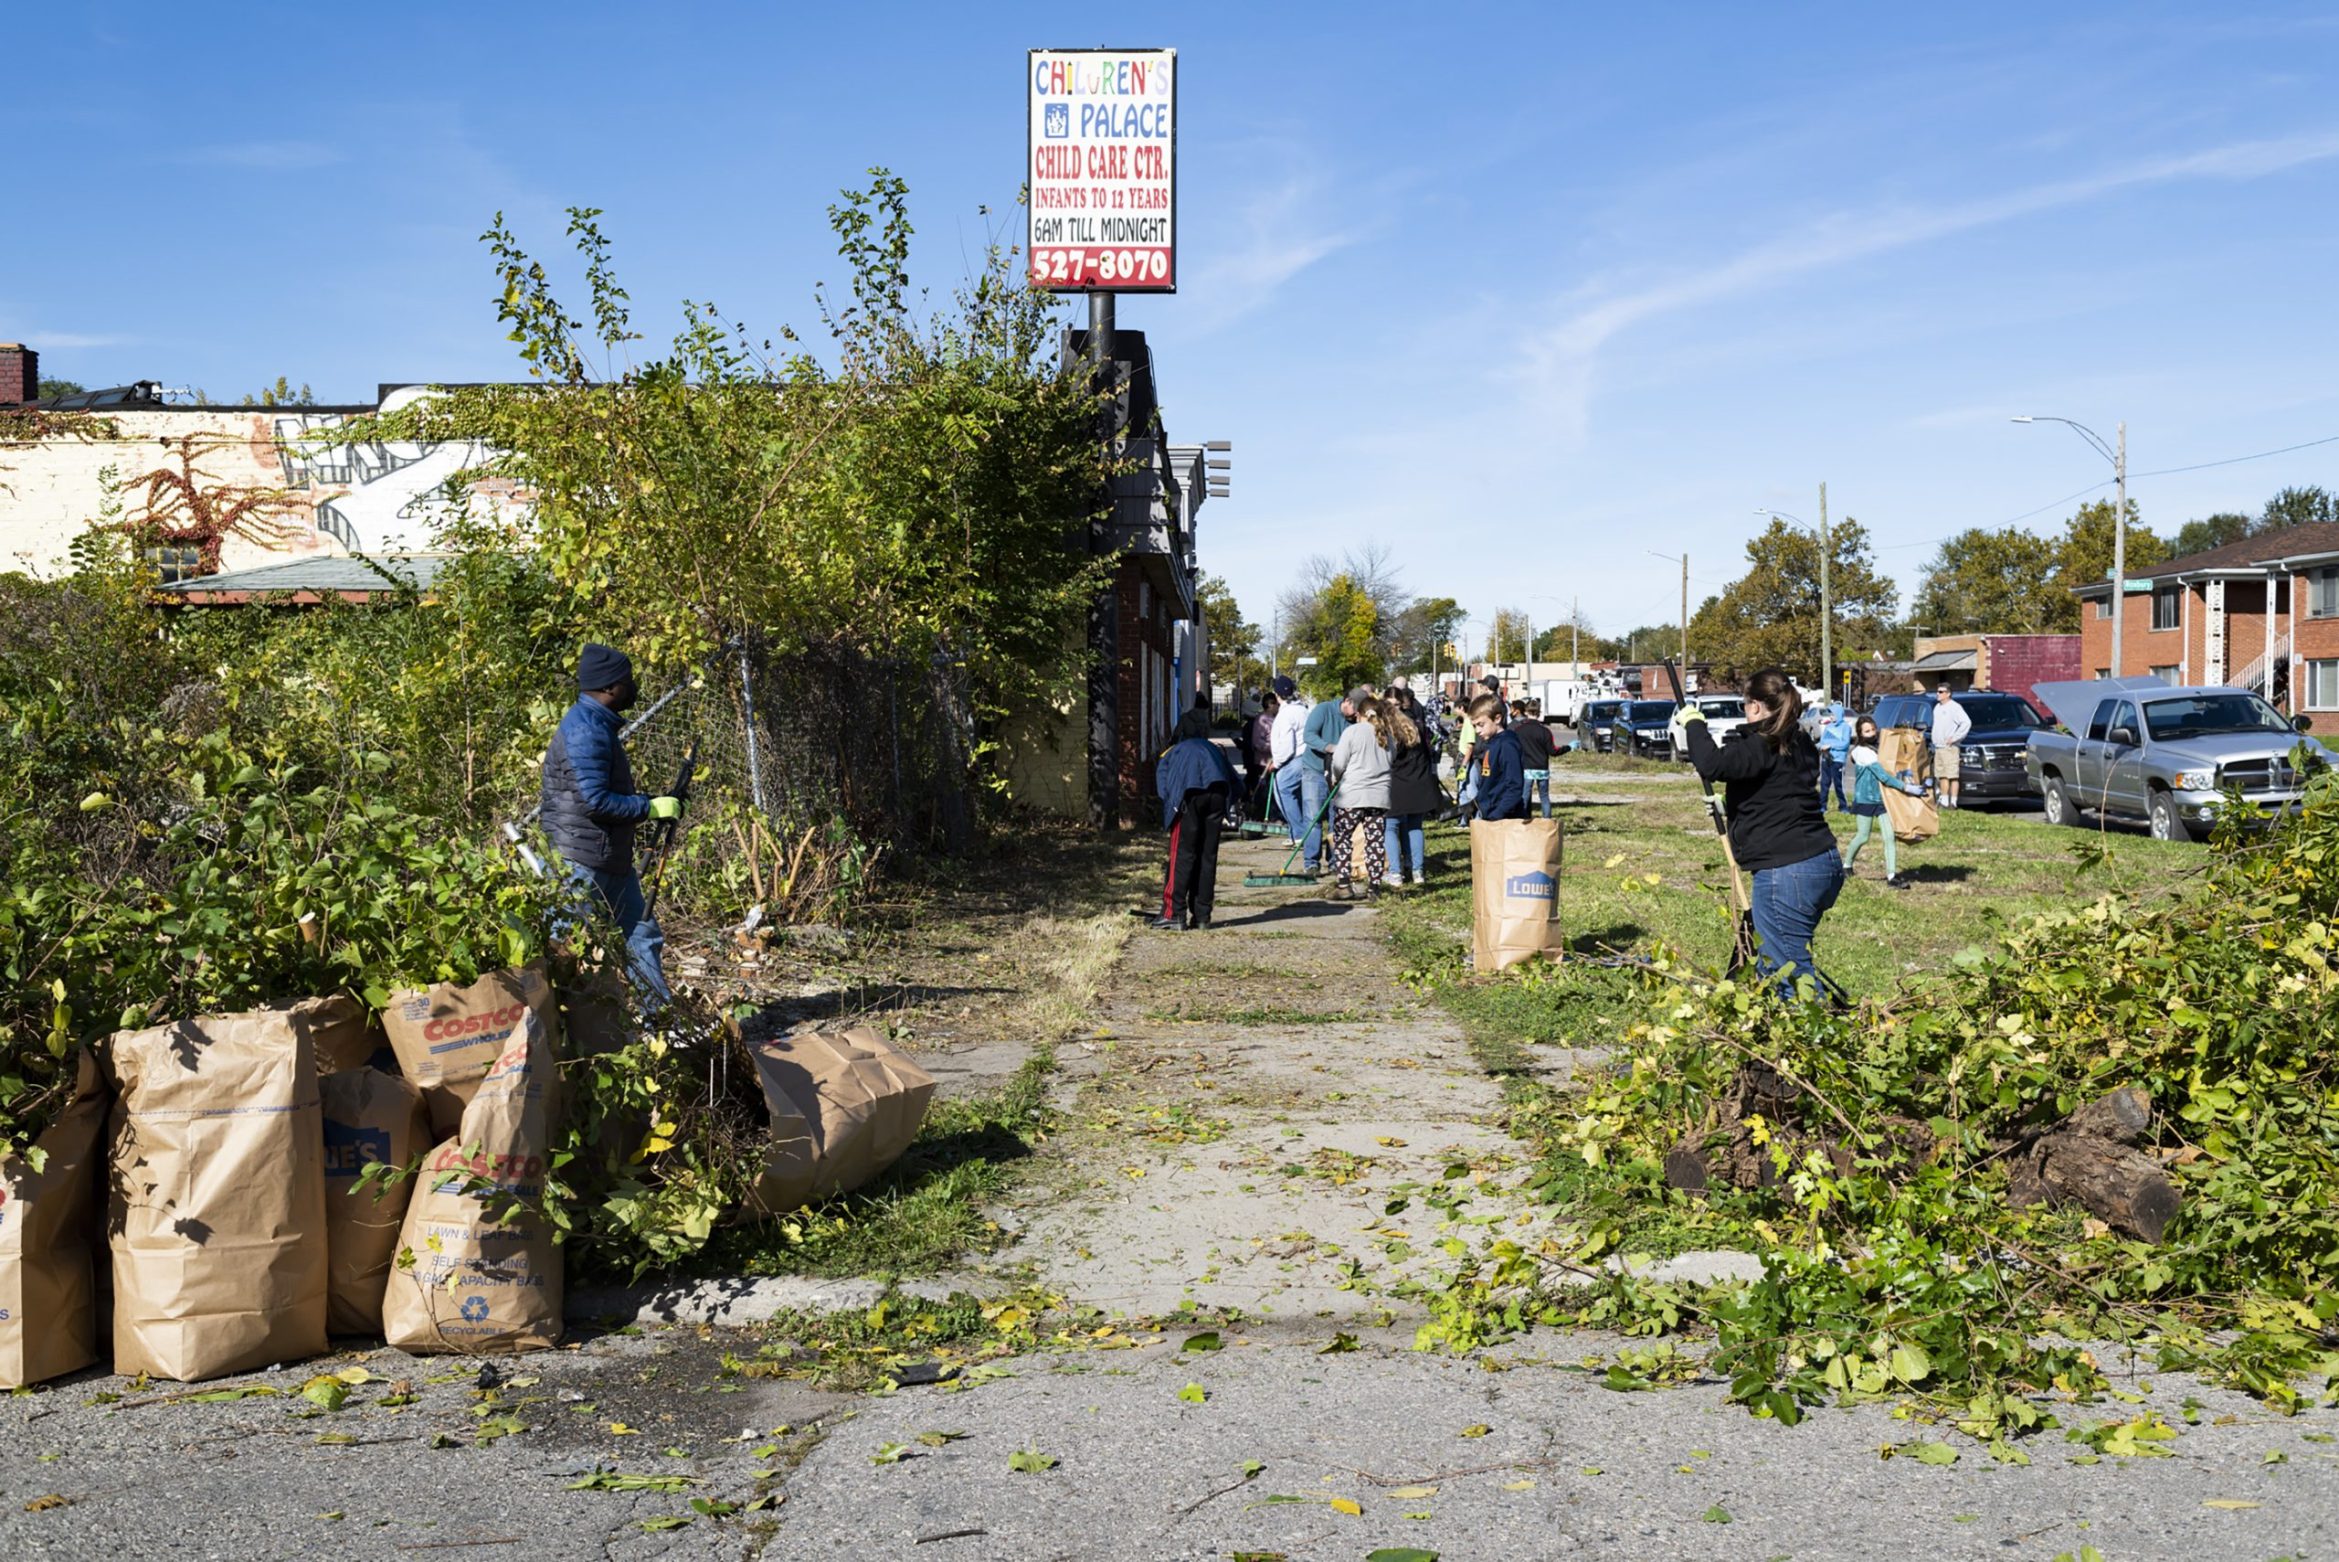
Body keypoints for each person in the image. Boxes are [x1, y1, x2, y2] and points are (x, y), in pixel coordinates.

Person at [1681, 667, 1844, 995]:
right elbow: (1779, 791)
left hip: (1787, 872)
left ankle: (1818, 1037)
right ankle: (1792, 1034)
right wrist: (1731, 806)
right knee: (1784, 959)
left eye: (1745, 704)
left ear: (1755, 706)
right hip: (1821, 861)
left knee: (1787, 970)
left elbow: (1713, 764)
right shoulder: (1797, 741)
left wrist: (1694, 723)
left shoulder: (1763, 743)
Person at [541, 643, 681, 1010]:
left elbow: (600, 791)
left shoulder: (598, 725)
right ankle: (557, 1037)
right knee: (565, 951)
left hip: (608, 858)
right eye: (627, 680)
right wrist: (647, 808)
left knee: (642, 935)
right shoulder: (585, 730)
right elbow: (594, 801)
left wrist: (651, 802)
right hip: (580, 862)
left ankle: (660, 1022)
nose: (632, 687)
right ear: (609, 687)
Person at [1152, 706, 1237, 930]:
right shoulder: (1215, 749)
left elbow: (1162, 786)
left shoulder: (1173, 751)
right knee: (1207, 856)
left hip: (1188, 798)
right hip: (1217, 797)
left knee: (1182, 855)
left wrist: (1170, 809)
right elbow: (1236, 782)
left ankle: (1173, 913)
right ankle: (1202, 916)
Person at [1842, 713, 1919, 891]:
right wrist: (1907, 788)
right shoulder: (1863, 752)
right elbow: (1884, 776)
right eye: (1867, 731)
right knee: (1862, 836)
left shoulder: (1877, 749)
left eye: (1873, 729)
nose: (1871, 733)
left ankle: (1891, 876)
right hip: (1865, 799)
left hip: (1882, 800)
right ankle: (1846, 866)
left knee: (1889, 837)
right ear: (1861, 734)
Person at [1328, 694, 1393, 899]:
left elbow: (1338, 762)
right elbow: (1391, 761)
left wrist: (1334, 777)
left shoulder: (1352, 732)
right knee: (1374, 841)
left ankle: (1344, 883)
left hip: (1352, 796)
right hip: (1378, 797)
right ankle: (1374, 886)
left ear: (1360, 714)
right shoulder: (1388, 735)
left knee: (1343, 838)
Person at [1384, 695, 1441, 888]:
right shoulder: (1416, 728)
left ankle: (1395, 872)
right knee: (1415, 827)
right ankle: (1417, 870)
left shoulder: (1388, 732)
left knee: (1390, 827)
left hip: (1397, 783)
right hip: (1418, 782)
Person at [1300, 685, 1356, 874]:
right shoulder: (1324, 710)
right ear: (1347, 701)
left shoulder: (1354, 720)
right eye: (1355, 709)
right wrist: (1329, 747)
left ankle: (1334, 861)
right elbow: (1308, 735)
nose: (1355, 715)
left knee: (1337, 818)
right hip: (1315, 770)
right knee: (1313, 816)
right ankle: (1311, 862)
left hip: (1340, 774)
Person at [1268, 676, 1312, 861]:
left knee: (1282, 787)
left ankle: (1299, 832)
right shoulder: (1303, 709)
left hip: (1295, 758)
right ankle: (1299, 831)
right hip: (1307, 756)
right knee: (1298, 795)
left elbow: (1286, 745)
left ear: (1277, 694)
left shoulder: (1285, 714)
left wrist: (1277, 763)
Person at [1465, 693, 1528, 821]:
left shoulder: (1507, 745)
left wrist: (1497, 815)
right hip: (1490, 814)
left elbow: (1514, 787)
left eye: (1481, 724)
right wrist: (1477, 803)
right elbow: (1490, 782)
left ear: (1497, 718)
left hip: (1505, 819)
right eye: (1474, 726)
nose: (1477, 731)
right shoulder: (1491, 743)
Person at [1510, 700, 1556, 819]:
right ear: (1539, 713)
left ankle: (1524, 819)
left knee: (1525, 796)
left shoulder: (1519, 730)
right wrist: (1568, 747)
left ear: (1525, 712)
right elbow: (1553, 751)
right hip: (1542, 768)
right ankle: (1547, 821)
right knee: (1544, 796)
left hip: (1526, 768)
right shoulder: (1545, 731)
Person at [1929, 685, 1972, 808]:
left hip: (1950, 748)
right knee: (1942, 775)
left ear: (1948, 693)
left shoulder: (1955, 707)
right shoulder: (1937, 707)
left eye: (1941, 692)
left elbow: (1966, 723)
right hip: (1938, 747)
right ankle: (1944, 801)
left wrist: (1954, 738)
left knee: (1952, 775)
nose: (1938, 694)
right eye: (1937, 691)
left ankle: (1953, 802)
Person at [1245, 692, 1280, 823]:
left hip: (1275, 761)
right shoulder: (1261, 720)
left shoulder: (1277, 719)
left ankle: (1273, 815)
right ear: (1270, 704)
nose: (1278, 706)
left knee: (1274, 790)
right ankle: (1258, 815)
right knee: (1262, 791)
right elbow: (1257, 742)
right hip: (1263, 762)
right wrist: (1273, 747)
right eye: (1276, 704)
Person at [1817, 703, 1853, 812]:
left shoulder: (1845, 728)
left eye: (1832, 714)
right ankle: (1822, 806)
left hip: (1838, 760)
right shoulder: (1828, 727)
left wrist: (1831, 746)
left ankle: (1843, 806)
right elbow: (1821, 742)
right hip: (1825, 759)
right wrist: (1820, 747)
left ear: (1838, 714)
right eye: (1830, 714)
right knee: (1824, 784)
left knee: (1838, 784)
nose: (1831, 717)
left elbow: (1845, 744)